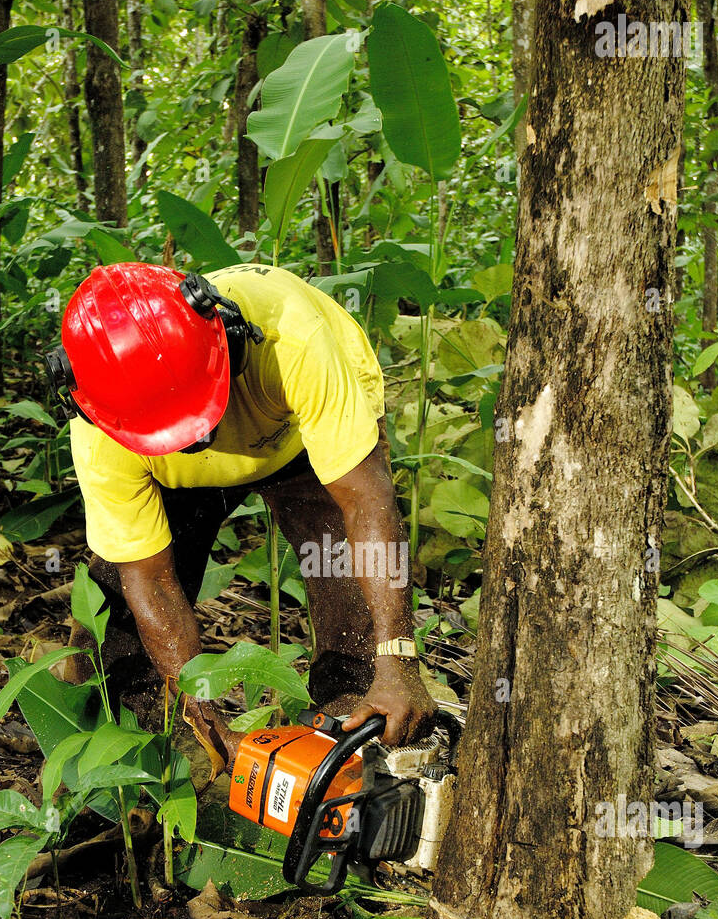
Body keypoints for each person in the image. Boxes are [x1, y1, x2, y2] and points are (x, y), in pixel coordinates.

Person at [48, 261, 436, 776]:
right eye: (185, 434)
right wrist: (204, 719)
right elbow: (150, 577)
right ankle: (131, 757)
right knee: (116, 604)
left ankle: (357, 723)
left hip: (297, 438)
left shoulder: (293, 338)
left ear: (226, 333)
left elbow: (366, 502)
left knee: (344, 571)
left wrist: (398, 656)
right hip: (165, 473)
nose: (201, 441)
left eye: (202, 425)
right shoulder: (103, 433)